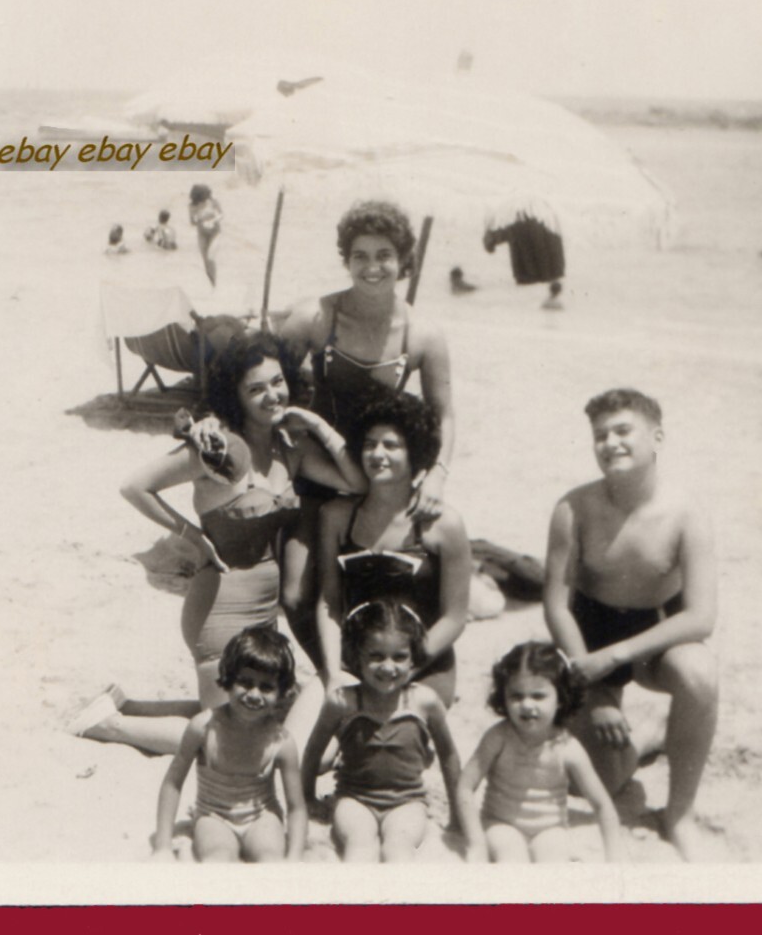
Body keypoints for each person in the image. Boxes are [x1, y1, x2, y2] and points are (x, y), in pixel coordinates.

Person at [68, 331, 363, 755]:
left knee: (254, 715)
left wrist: (316, 423)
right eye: (256, 389)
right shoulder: (220, 447)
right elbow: (135, 486)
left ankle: (129, 704)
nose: (272, 396)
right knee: (230, 746)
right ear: (236, 397)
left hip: (264, 612)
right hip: (219, 612)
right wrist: (194, 537)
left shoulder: (289, 449)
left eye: (278, 382)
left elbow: (355, 481)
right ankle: (109, 724)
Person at [273, 201, 457, 669]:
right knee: (295, 596)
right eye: (360, 255)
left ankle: (382, 670)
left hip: (381, 478)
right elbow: (259, 373)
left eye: (384, 255)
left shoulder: (423, 334)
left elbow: (444, 415)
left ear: (404, 261)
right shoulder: (315, 317)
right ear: (345, 258)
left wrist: (436, 475)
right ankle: (334, 676)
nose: (372, 267)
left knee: (394, 590)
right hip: (317, 473)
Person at [543, 389, 718, 861]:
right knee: (596, 779)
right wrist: (592, 686)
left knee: (700, 673)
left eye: (624, 431)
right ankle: (647, 739)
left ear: (656, 436)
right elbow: (556, 605)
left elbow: (701, 618)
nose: (611, 443)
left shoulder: (685, 513)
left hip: (653, 636)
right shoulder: (574, 508)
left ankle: (678, 813)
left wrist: (618, 657)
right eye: (601, 435)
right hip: (590, 633)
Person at [313, 392, 474, 707]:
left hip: (424, 662)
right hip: (358, 661)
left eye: (391, 445)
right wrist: (334, 672)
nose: (377, 454)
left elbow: (455, 617)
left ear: (415, 451)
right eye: (370, 444)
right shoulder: (336, 516)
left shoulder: (444, 525)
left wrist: (400, 666)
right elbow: (329, 603)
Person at [300, 598, 461, 862]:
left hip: (407, 802)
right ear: (356, 657)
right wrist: (307, 797)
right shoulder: (343, 702)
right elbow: (314, 749)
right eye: (375, 656)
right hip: (355, 800)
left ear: (414, 658)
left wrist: (457, 813)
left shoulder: (424, 702)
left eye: (399, 657)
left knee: (398, 849)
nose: (388, 667)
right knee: (359, 846)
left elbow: (449, 757)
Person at [152, 624, 308, 863]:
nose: (254, 694)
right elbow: (173, 783)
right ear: (228, 679)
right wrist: (162, 847)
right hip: (214, 816)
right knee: (219, 858)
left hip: (261, 817)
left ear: (281, 692)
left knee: (271, 859)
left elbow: (296, 806)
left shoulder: (281, 740)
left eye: (266, 687)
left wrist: (295, 856)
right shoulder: (204, 727)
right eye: (245, 682)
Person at [456, 642, 621, 863]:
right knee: (511, 858)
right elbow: (465, 787)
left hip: (550, 829)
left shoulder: (567, 747)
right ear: (503, 697)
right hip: (501, 823)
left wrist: (616, 856)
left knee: (553, 863)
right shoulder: (498, 738)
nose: (526, 704)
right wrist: (475, 843)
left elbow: (601, 804)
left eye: (538, 696)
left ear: (561, 698)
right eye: (516, 696)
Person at [188, 184, 223, 286]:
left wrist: (213, 220)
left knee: (211, 257)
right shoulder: (192, 206)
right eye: (202, 198)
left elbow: (221, 214)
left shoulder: (213, 202)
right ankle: (212, 284)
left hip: (215, 233)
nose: (204, 200)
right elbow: (192, 222)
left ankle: (215, 283)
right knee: (206, 262)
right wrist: (198, 219)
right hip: (202, 234)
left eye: (206, 197)